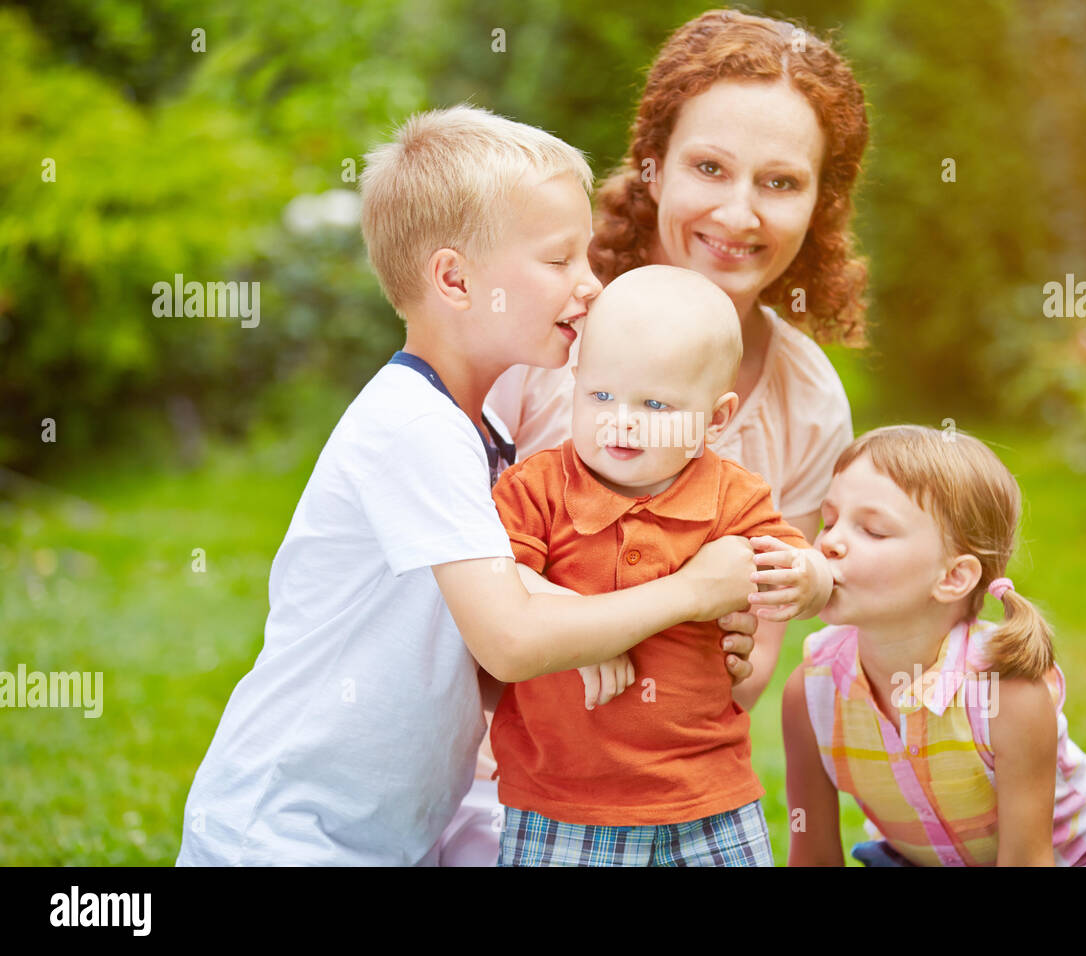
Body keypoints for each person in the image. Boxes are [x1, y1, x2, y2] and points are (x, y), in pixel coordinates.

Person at [175, 106, 759, 866]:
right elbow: (509, 640)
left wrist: (591, 621)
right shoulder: (412, 426)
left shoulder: (472, 426)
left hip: (383, 837)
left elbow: (497, 605)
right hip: (282, 836)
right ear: (455, 279)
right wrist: (692, 594)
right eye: (558, 262)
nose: (589, 286)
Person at [453, 8, 871, 866]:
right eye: (709, 167)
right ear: (653, 168)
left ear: (821, 201)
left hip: (678, 791)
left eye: (782, 183)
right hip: (504, 785)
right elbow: (477, 621)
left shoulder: (808, 401)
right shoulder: (547, 343)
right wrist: (631, 619)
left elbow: (746, 669)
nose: (739, 213)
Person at [489, 266, 834, 866]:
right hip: (563, 799)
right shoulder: (539, 488)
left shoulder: (733, 497)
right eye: (599, 395)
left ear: (716, 418)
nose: (620, 419)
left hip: (708, 791)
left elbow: (796, 562)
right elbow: (497, 581)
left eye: (654, 403)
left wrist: (810, 579)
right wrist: (576, 624)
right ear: (574, 382)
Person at [781, 425, 1086, 866]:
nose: (829, 542)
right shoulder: (810, 693)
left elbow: (1027, 862)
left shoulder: (1007, 695)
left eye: (872, 530)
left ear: (953, 577)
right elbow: (812, 855)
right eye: (830, 520)